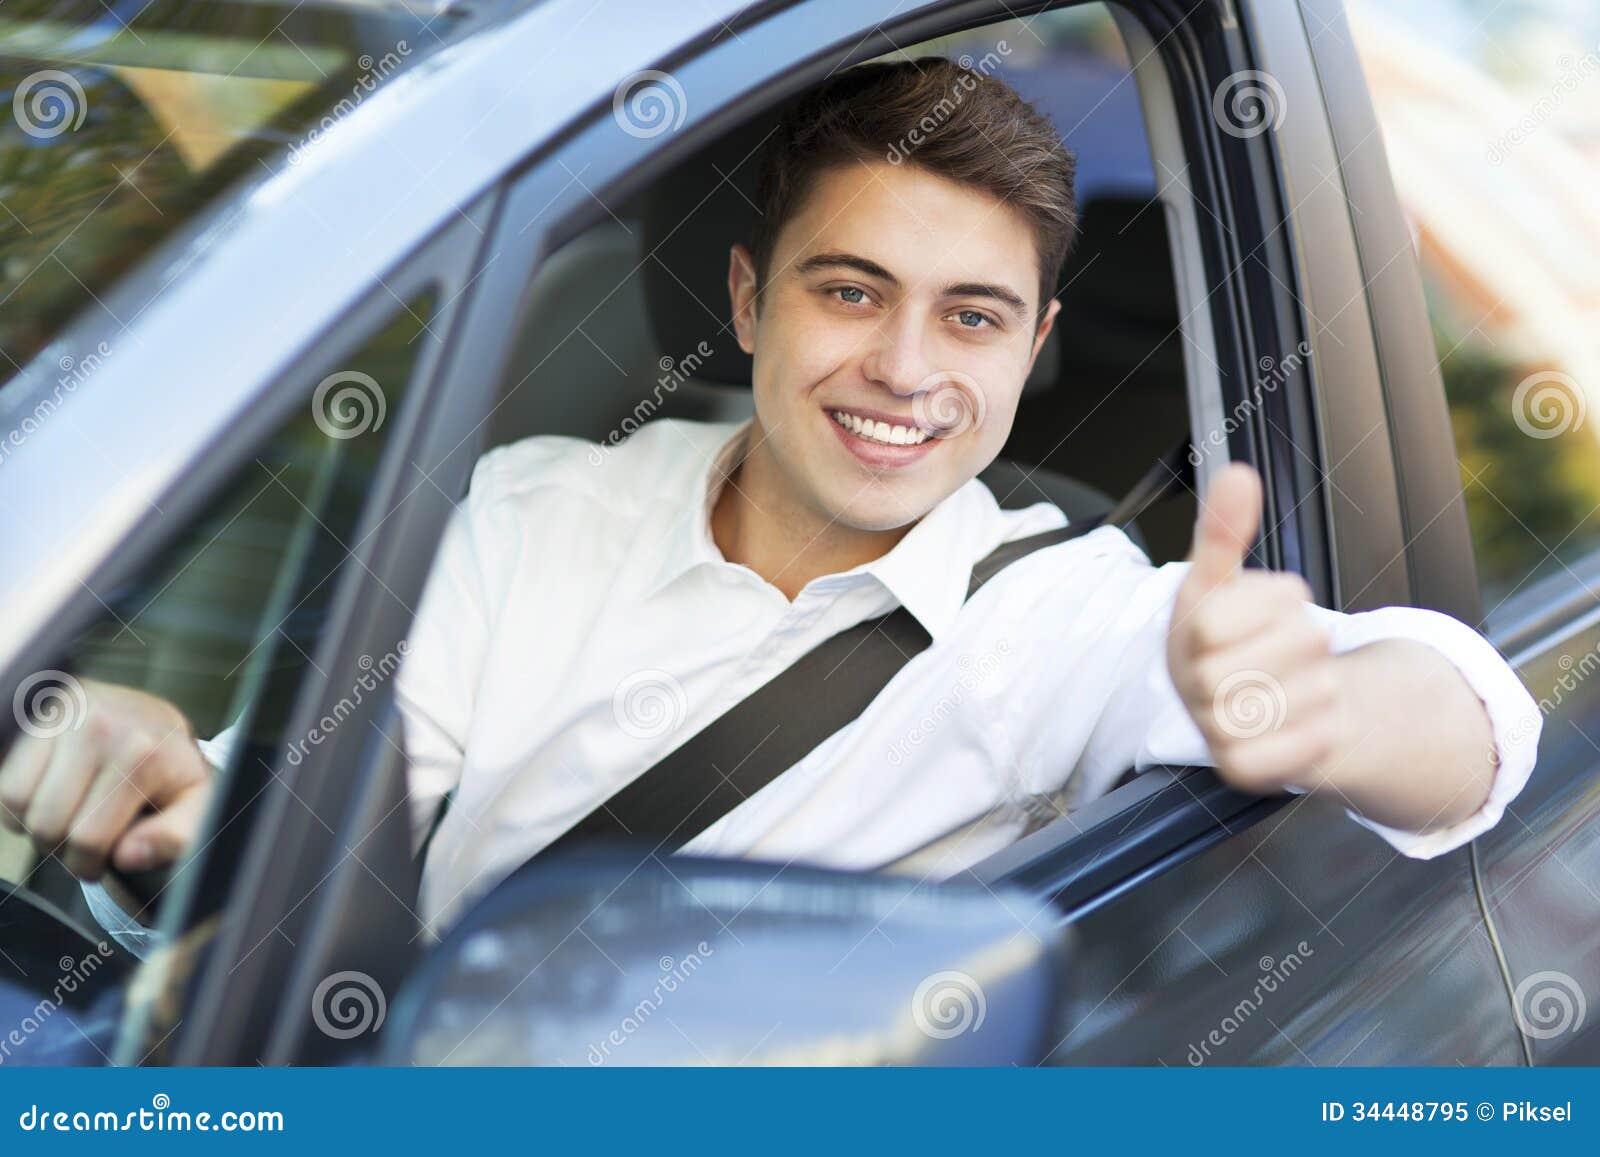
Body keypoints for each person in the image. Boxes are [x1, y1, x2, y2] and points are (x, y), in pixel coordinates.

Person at [0, 59, 1541, 943]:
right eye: (851, 290)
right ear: (747, 298)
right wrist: (165, 798)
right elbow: (329, 823)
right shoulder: (538, 505)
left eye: (973, 316)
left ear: (1035, 349)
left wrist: (1320, 713)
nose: (903, 369)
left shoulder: (1044, 615)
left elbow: (1480, 724)